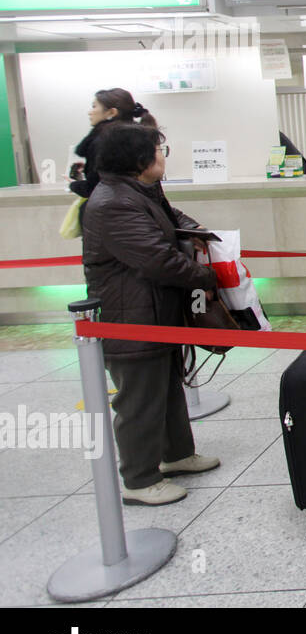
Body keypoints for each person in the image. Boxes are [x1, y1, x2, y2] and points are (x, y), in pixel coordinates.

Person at [81, 124, 221, 505]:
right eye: (159, 149)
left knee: (167, 388)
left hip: (157, 313)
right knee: (139, 399)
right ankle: (140, 479)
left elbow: (169, 217)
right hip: (132, 318)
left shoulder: (139, 191)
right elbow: (158, 260)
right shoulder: (113, 202)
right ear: (138, 159)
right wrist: (208, 276)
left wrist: (196, 231)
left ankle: (176, 456)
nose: (162, 156)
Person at [69, 89, 155, 213]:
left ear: (111, 112)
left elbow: (94, 188)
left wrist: (73, 184)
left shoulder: (104, 142)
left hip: (111, 212)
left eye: (94, 107)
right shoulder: (142, 137)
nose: (90, 112)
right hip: (142, 209)